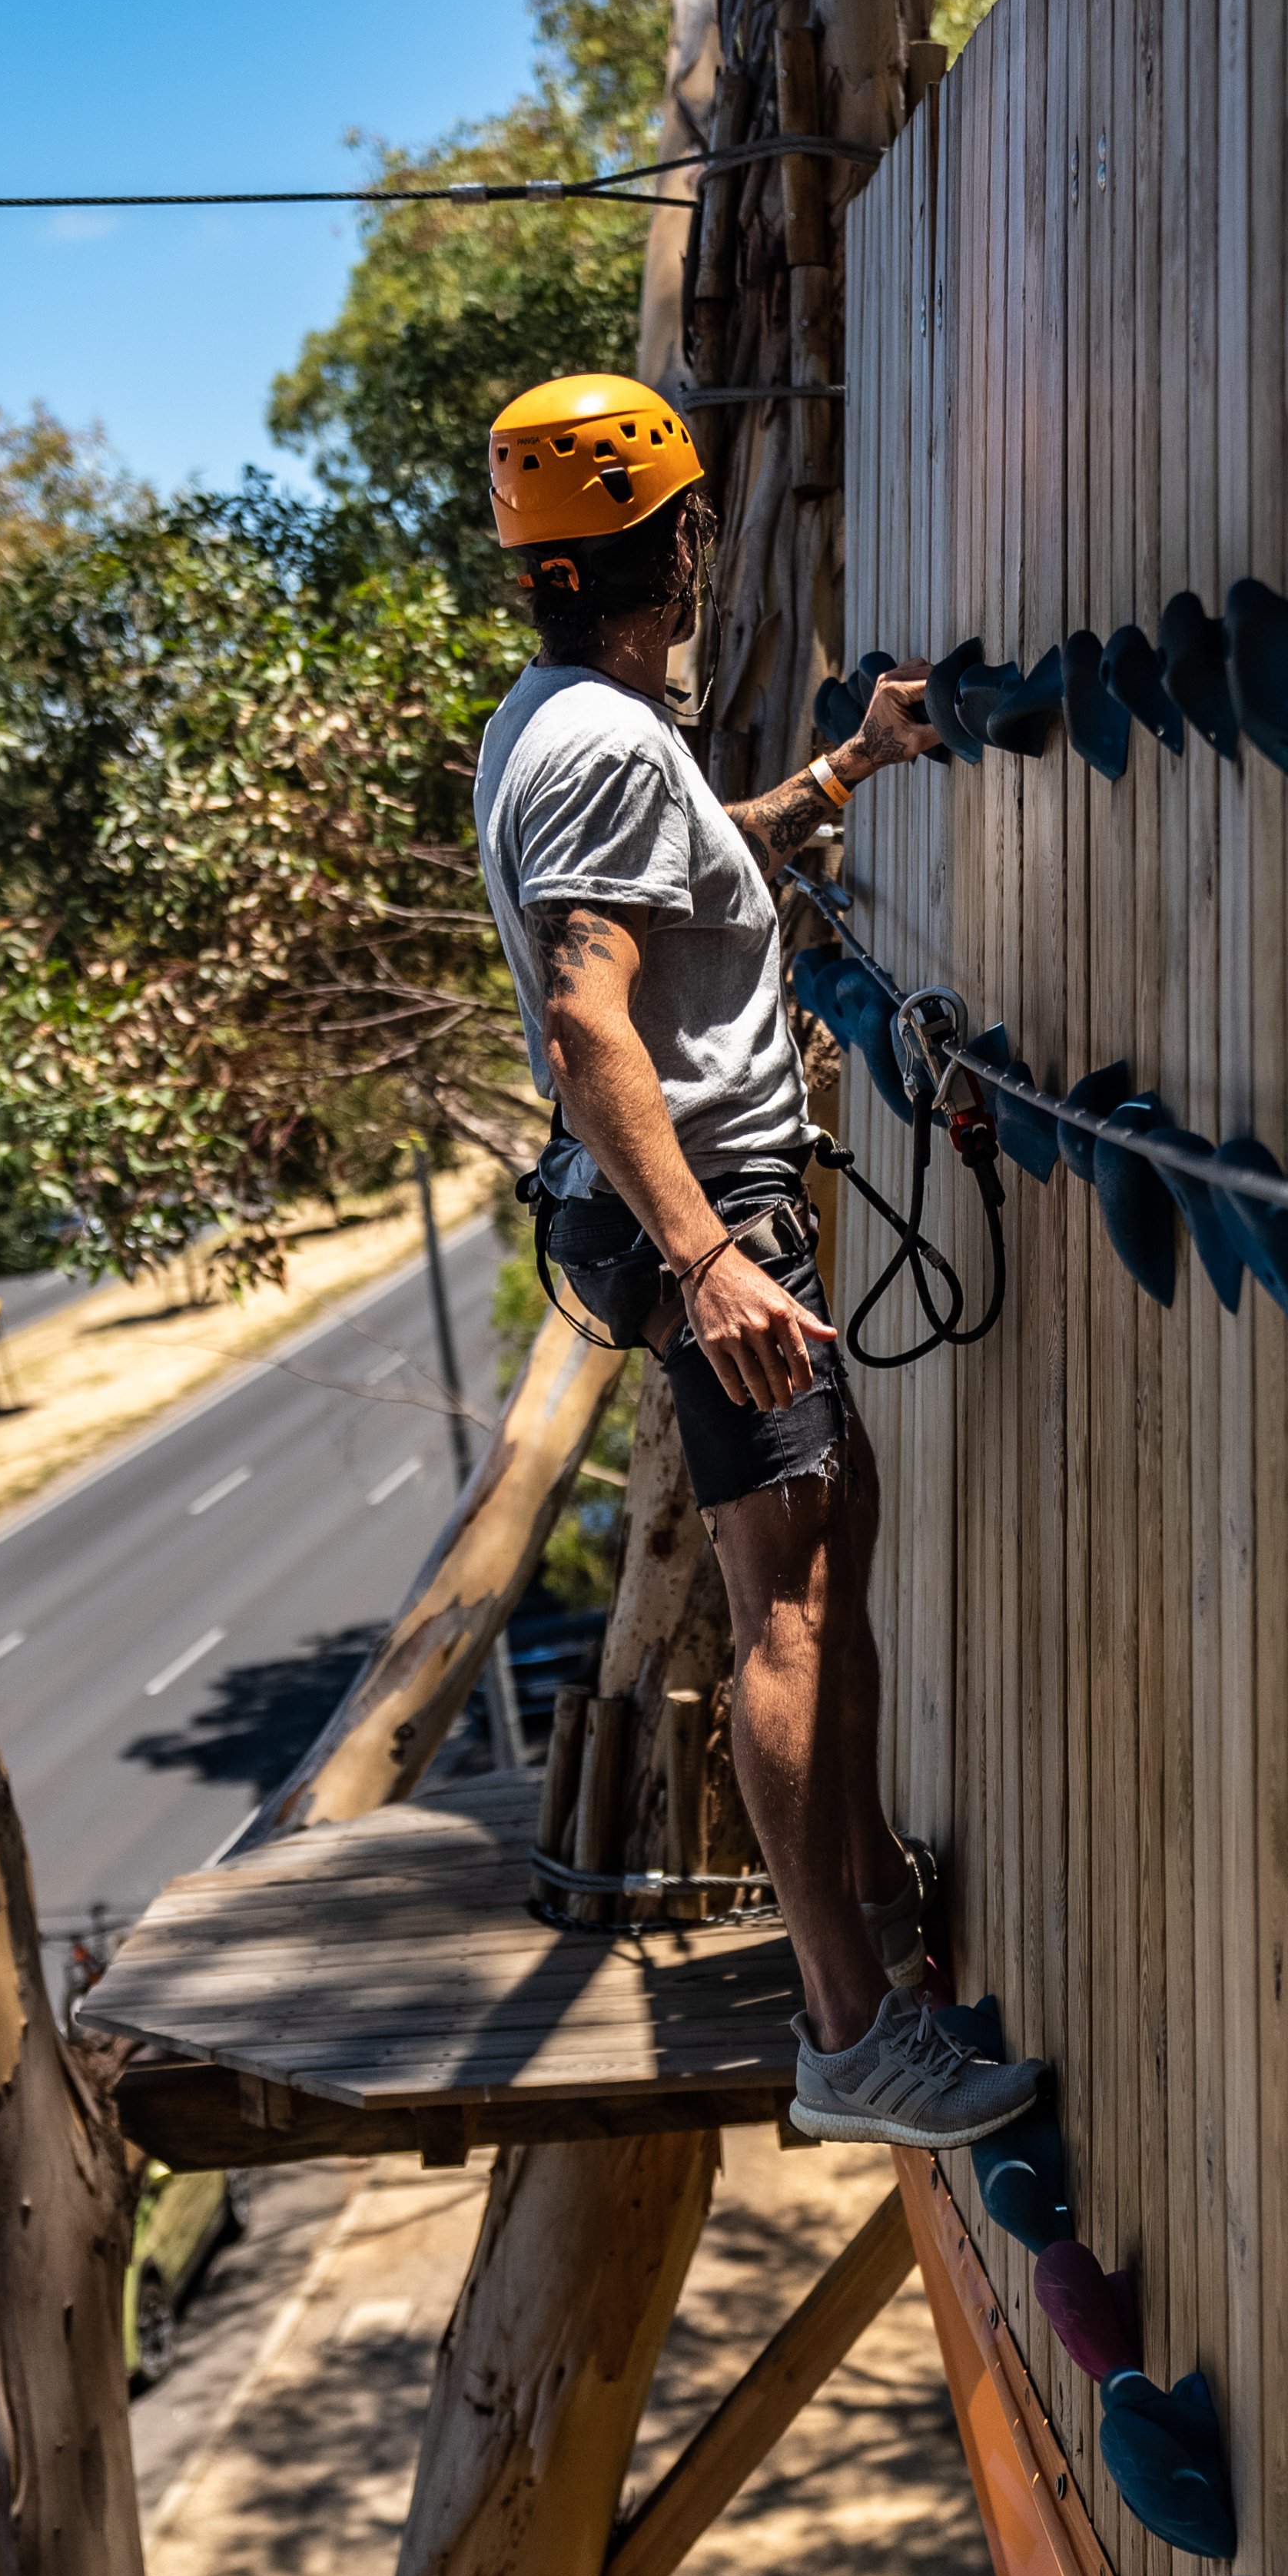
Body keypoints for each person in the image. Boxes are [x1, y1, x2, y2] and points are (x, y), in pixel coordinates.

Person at [473, 372, 1043, 2150]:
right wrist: (712, 1260)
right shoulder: (591, 744)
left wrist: (855, 764)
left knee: (827, 1539)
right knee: (780, 1602)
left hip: (724, 1208)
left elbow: (705, 867)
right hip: (712, 1215)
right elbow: (586, 1023)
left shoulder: (566, 723)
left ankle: (865, 1904)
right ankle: (848, 2032)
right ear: (679, 538)